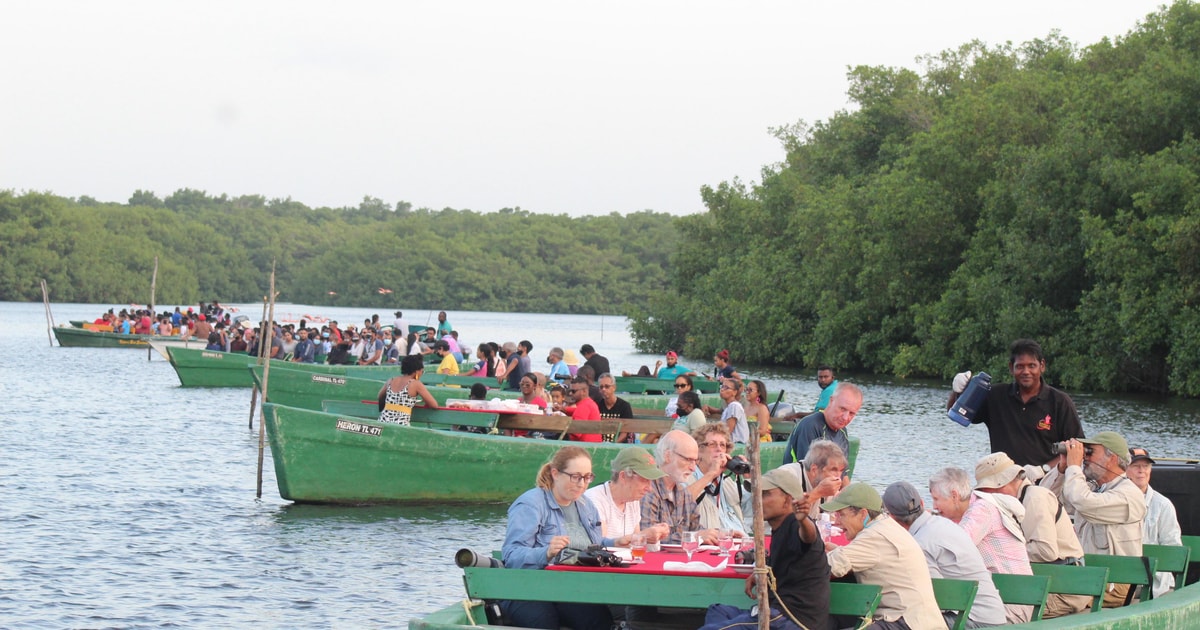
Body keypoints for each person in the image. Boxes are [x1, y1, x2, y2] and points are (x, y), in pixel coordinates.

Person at [499, 446, 616, 630]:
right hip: (526, 589)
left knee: (600, 622)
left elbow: (594, 546)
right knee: (545, 622)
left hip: (567, 588)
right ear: (555, 473)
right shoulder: (530, 504)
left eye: (587, 477)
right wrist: (545, 553)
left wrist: (616, 543)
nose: (582, 484)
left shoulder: (586, 505)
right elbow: (511, 555)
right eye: (575, 477)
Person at [699, 469, 829, 630]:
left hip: (792, 620)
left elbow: (809, 538)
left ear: (788, 500)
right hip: (775, 614)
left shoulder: (796, 524)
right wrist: (763, 571)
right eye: (756, 493)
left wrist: (803, 519)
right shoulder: (780, 528)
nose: (756, 500)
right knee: (717, 611)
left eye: (765, 494)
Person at [972, 452, 1090, 617]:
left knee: (988, 613)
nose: (987, 495)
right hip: (1041, 584)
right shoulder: (1013, 501)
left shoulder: (1035, 498)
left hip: (1065, 590)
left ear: (1005, 481)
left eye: (988, 489)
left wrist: (1007, 552)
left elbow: (1046, 551)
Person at [1041, 432, 1146, 607]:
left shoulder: (1129, 495)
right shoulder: (1092, 488)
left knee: (1052, 598)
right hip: (1087, 576)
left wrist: (1074, 467)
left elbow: (1083, 502)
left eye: (1089, 452)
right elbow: (1045, 500)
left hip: (1118, 583)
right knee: (1042, 588)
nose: (1085, 457)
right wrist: (1062, 467)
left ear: (1111, 458)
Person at [883, 481, 1008, 628]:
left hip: (975, 620)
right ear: (922, 503)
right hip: (993, 616)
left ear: (890, 517)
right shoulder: (943, 524)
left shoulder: (920, 544)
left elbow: (936, 601)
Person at [822, 483, 944, 630]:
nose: (837, 522)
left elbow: (826, 567)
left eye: (841, 515)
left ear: (863, 514)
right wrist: (837, 551)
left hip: (906, 622)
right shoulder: (884, 526)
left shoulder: (874, 536)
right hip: (916, 620)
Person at [948, 338, 1084, 467]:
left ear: (1042, 366)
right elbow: (957, 414)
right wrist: (957, 391)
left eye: (1032, 366)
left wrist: (1044, 470)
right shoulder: (995, 395)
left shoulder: (1059, 402)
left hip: (1045, 483)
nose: (1026, 372)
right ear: (1011, 368)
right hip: (1002, 482)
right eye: (1020, 366)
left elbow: (1078, 448)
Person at [929, 467, 1033, 624]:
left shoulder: (982, 511)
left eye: (936, 499)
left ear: (954, 496)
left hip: (1011, 606)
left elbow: (953, 550)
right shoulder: (966, 515)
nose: (934, 506)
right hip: (992, 601)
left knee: (929, 621)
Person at [639, 430, 716, 545]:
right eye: (688, 460)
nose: (693, 468)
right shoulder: (648, 491)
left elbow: (697, 530)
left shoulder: (684, 494)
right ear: (668, 456)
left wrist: (719, 535)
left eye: (695, 461)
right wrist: (696, 537)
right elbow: (649, 539)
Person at [1126, 447, 1182, 598]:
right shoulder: (1112, 499)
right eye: (1136, 466)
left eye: (1146, 466)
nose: (1141, 471)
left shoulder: (1163, 505)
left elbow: (1173, 550)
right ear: (1125, 470)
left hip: (1156, 584)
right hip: (1122, 581)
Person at [583, 448, 669, 542]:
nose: (649, 488)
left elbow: (636, 548)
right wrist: (644, 535)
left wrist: (654, 537)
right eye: (644, 480)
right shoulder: (594, 499)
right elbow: (600, 547)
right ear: (623, 476)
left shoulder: (633, 501)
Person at [781, 383, 862, 466]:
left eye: (851, 413)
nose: (845, 417)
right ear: (831, 401)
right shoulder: (810, 425)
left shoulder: (843, 431)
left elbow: (843, 473)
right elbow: (809, 472)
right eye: (842, 409)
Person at [688, 423, 746, 535]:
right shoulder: (688, 478)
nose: (719, 449)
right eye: (712, 444)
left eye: (723, 445)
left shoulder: (727, 481)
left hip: (740, 541)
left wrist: (749, 478)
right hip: (711, 545)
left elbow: (752, 511)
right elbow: (681, 502)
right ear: (699, 450)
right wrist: (711, 474)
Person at [778, 439, 848, 519]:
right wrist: (818, 493)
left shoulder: (830, 485)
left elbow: (831, 520)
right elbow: (780, 516)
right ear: (814, 470)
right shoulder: (787, 475)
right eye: (833, 470)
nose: (838, 478)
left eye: (841, 471)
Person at [377, 355, 440, 425]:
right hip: (401, 425)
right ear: (416, 371)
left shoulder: (391, 380)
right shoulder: (416, 384)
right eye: (422, 371)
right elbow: (434, 405)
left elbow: (380, 396)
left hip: (383, 422)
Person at [596, 373, 634, 443]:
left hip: (619, 444)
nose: (603, 389)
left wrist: (614, 444)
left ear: (614, 388)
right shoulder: (596, 405)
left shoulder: (624, 406)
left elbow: (625, 432)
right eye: (601, 387)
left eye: (607, 386)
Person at [710, 378, 749, 444]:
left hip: (737, 444)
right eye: (722, 387)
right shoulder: (729, 407)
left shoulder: (734, 406)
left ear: (734, 392)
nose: (722, 389)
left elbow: (728, 430)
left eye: (726, 388)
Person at [566, 377, 602, 443]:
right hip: (594, 445)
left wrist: (561, 426)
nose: (571, 394)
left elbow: (576, 432)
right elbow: (576, 412)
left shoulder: (583, 407)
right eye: (570, 391)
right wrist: (562, 409)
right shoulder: (590, 403)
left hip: (584, 447)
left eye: (573, 391)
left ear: (584, 391)